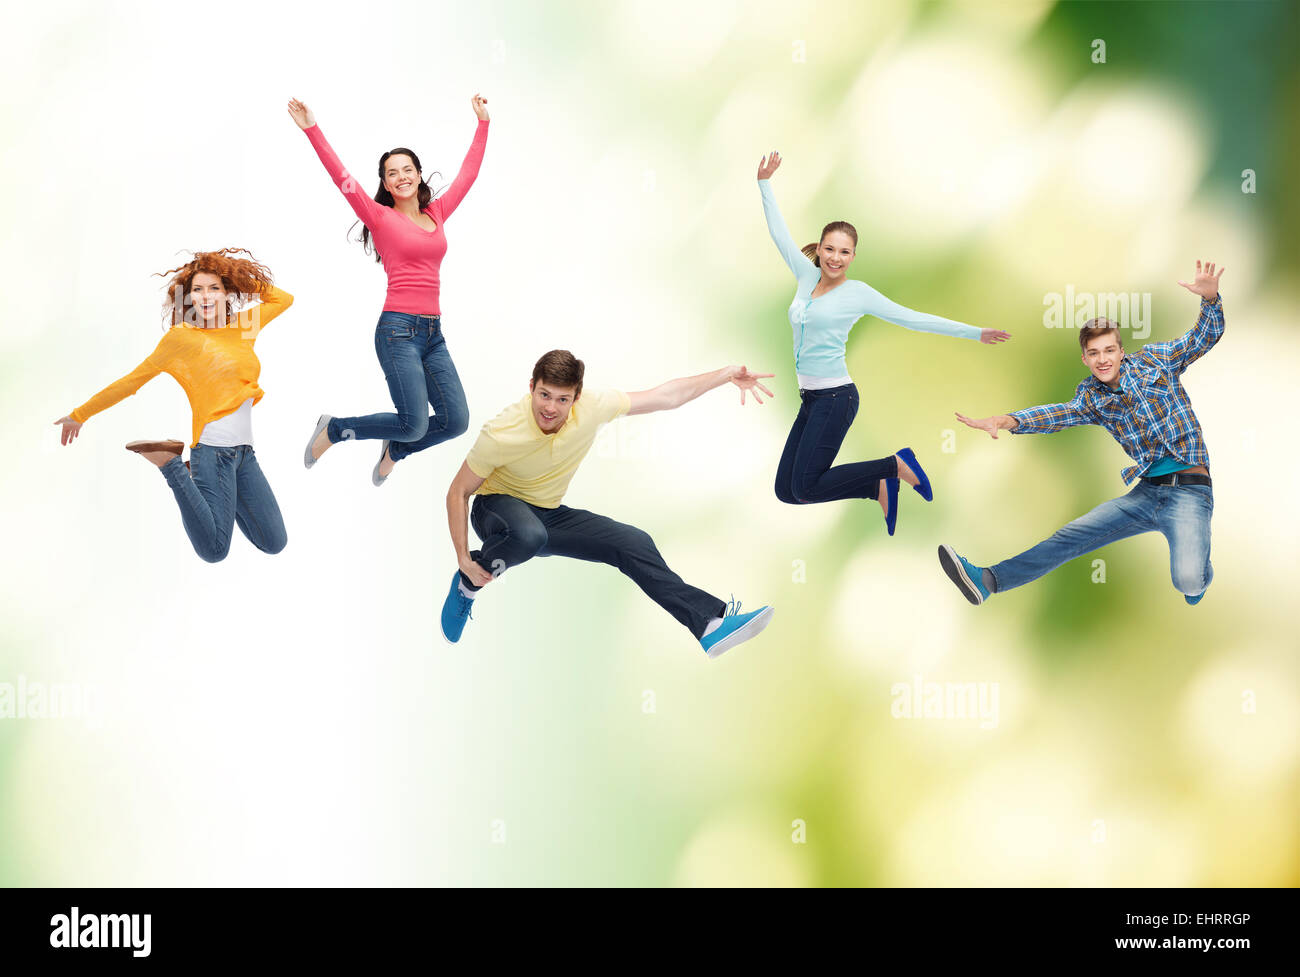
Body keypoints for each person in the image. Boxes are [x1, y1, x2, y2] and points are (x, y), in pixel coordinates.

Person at [442, 350, 777, 659]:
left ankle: (708, 625)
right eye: (544, 395)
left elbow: (666, 397)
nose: (550, 408)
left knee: (634, 542)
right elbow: (458, 492)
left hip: (547, 513)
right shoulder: (501, 432)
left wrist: (727, 374)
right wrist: (462, 557)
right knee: (528, 535)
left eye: (562, 399)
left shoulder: (593, 405)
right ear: (532, 387)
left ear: (577, 397)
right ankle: (468, 581)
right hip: (496, 508)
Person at [939, 261, 1226, 606]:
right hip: (1147, 494)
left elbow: (1201, 339)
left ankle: (1198, 576)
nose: (1102, 360)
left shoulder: (1155, 361)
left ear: (1121, 351)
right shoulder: (1092, 396)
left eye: (1108, 350)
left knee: (1188, 581)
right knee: (1070, 536)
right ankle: (987, 580)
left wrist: (1210, 300)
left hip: (1190, 493)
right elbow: (1058, 414)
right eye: (1094, 354)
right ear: (1085, 359)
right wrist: (1008, 420)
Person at [757, 150, 1010, 534]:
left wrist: (974, 332)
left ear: (853, 256)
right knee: (787, 492)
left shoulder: (858, 293)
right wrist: (765, 184)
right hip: (810, 400)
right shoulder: (805, 278)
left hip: (836, 398)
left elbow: (914, 319)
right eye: (829, 249)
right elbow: (779, 234)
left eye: (844, 252)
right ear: (820, 249)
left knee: (805, 486)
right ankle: (876, 486)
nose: (835, 258)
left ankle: (894, 465)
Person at [289, 94, 490, 485]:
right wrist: (312, 128)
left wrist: (483, 123)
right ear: (384, 182)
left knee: (456, 421)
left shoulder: (437, 213)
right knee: (413, 423)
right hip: (397, 331)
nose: (401, 176)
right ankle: (334, 429)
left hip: (433, 334)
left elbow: (468, 175)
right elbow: (341, 177)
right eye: (391, 172)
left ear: (418, 174)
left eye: (407, 169)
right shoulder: (378, 217)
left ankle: (394, 449)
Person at [55, 249, 293, 562]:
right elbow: (132, 381)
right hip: (212, 452)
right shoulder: (181, 339)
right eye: (197, 290)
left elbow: (282, 299)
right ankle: (170, 464)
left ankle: (205, 486)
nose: (205, 297)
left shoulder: (244, 327)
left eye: (214, 288)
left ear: (226, 293)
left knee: (274, 541)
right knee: (214, 550)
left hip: (245, 456)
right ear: (188, 298)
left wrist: (237, 276)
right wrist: (79, 415)